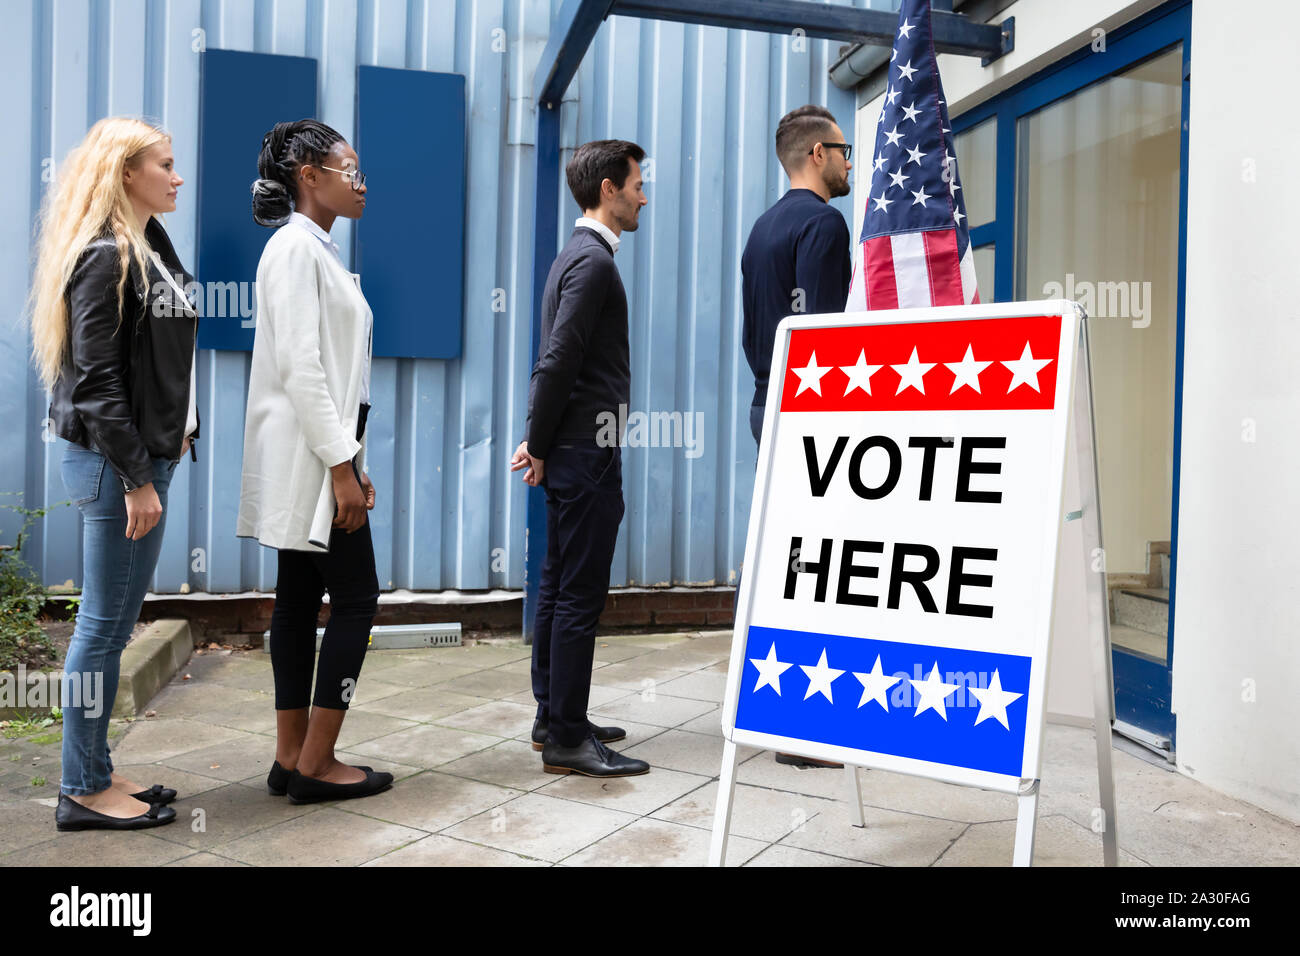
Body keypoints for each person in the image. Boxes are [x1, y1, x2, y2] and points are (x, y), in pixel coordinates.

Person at [29, 117, 198, 830]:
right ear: (126, 172)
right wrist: (137, 477)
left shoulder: (147, 245)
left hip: (140, 458)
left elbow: (151, 360)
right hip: (114, 466)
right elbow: (96, 382)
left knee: (115, 623)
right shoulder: (106, 256)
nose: (177, 175)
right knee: (100, 629)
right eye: (164, 163)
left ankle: (96, 769)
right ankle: (80, 789)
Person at [237, 119, 391, 805]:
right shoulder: (297, 251)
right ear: (309, 173)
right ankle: (318, 763)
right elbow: (303, 368)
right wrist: (340, 467)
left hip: (320, 454)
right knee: (358, 599)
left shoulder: (308, 249)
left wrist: (347, 461)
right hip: (313, 459)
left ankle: (290, 755)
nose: (361, 181)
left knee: (298, 601)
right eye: (349, 168)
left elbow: (323, 371)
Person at [510, 140, 648, 778]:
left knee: (558, 587)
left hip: (567, 450)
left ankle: (554, 717)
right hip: (586, 455)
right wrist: (537, 442)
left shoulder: (573, 256)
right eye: (636, 184)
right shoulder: (593, 264)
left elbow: (555, 361)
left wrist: (538, 440)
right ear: (608, 190)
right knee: (578, 596)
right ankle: (566, 737)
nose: (643, 196)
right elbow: (559, 359)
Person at [740, 104, 853, 770]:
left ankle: (790, 714)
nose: (848, 162)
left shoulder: (761, 229)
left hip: (767, 404)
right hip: (808, 413)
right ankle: (806, 730)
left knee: (796, 562)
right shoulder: (823, 224)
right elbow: (824, 339)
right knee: (822, 566)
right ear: (816, 153)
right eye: (842, 150)